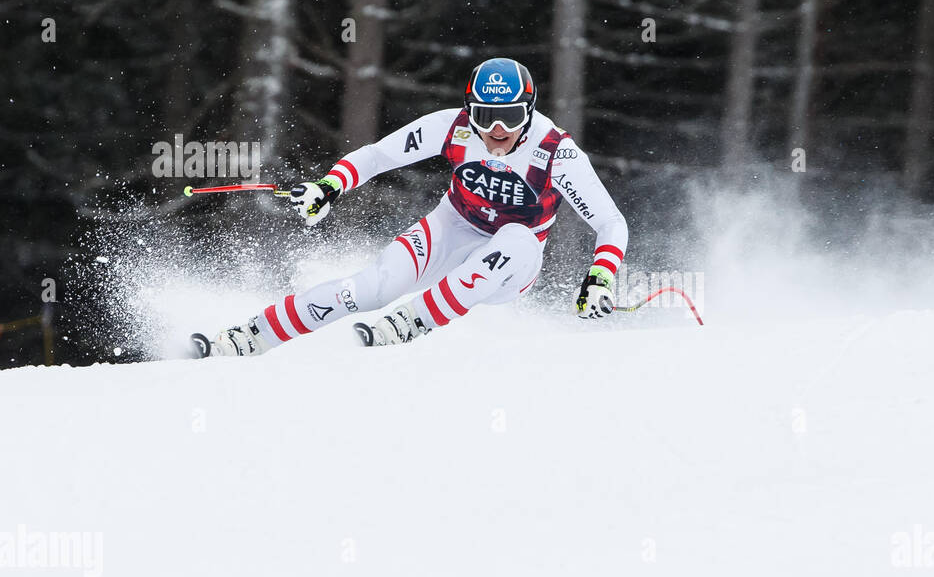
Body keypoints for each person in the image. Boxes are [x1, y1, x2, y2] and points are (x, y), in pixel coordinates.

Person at [192, 58, 627, 357]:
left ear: (529, 111)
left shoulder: (554, 150)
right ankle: (249, 336)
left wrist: (600, 278)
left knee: (514, 238)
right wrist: (329, 186)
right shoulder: (450, 127)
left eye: (511, 116)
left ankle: (411, 322)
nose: (497, 130)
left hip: (514, 261)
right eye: (485, 115)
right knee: (371, 289)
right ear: (468, 109)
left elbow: (609, 221)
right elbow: (378, 155)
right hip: (452, 227)